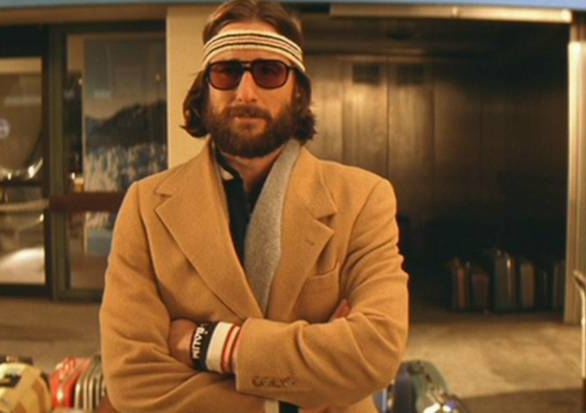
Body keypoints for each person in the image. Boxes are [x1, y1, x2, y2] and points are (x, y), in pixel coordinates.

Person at [99, 0, 409, 411]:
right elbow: (131, 380)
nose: (246, 93)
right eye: (226, 72)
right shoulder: (145, 207)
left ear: (298, 90)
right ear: (205, 89)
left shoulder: (363, 198)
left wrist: (209, 344)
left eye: (269, 72)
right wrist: (300, 394)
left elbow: (376, 352)